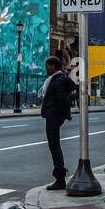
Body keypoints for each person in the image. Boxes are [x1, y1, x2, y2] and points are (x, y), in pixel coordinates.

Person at [39, 56, 78, 190]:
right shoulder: (56, 79)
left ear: (53, 66)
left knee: (54, 145)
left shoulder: (58, 80)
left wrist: (67, 114)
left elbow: (63, 99)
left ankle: (60, 178)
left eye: (47, 66)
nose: (46, 69)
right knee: (53, 145)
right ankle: (59, 177)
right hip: (53, 114)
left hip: (54, 115)